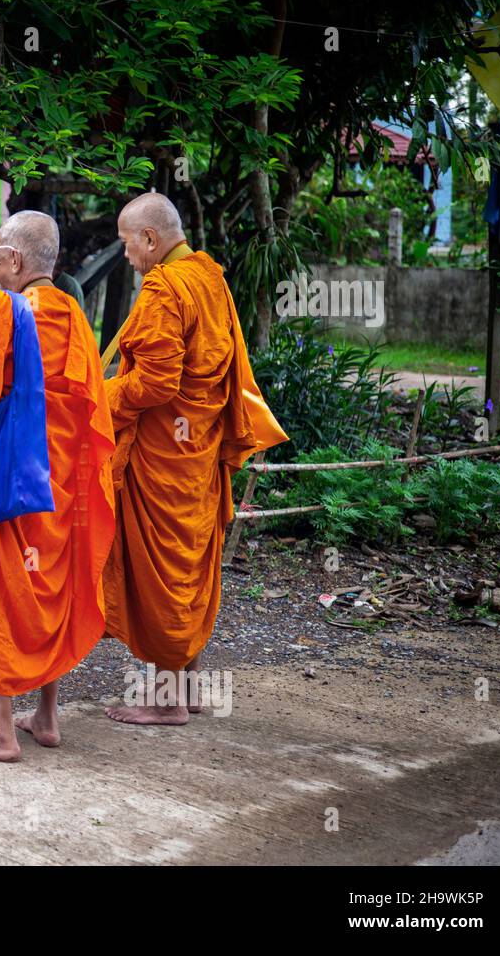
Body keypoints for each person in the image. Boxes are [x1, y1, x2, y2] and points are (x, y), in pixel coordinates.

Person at [0, 210, 118, 762]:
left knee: (0, 594)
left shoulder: (4, 315)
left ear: (12, 259)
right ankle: (47, 715)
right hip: (60, 486)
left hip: (9, 482)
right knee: (48, 588)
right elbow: (89, 405)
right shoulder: (73, 317)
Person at [100, 192, 287, 725]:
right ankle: (190, 687)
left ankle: (166, 703)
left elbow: (157, 382)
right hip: (197, 447)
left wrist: (101, 395)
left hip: (163, 452)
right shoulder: (208, 274)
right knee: (188, 561)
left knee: (163, 569)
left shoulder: (165, 286)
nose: (127, 254)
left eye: (127, 243)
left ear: (151, 240)